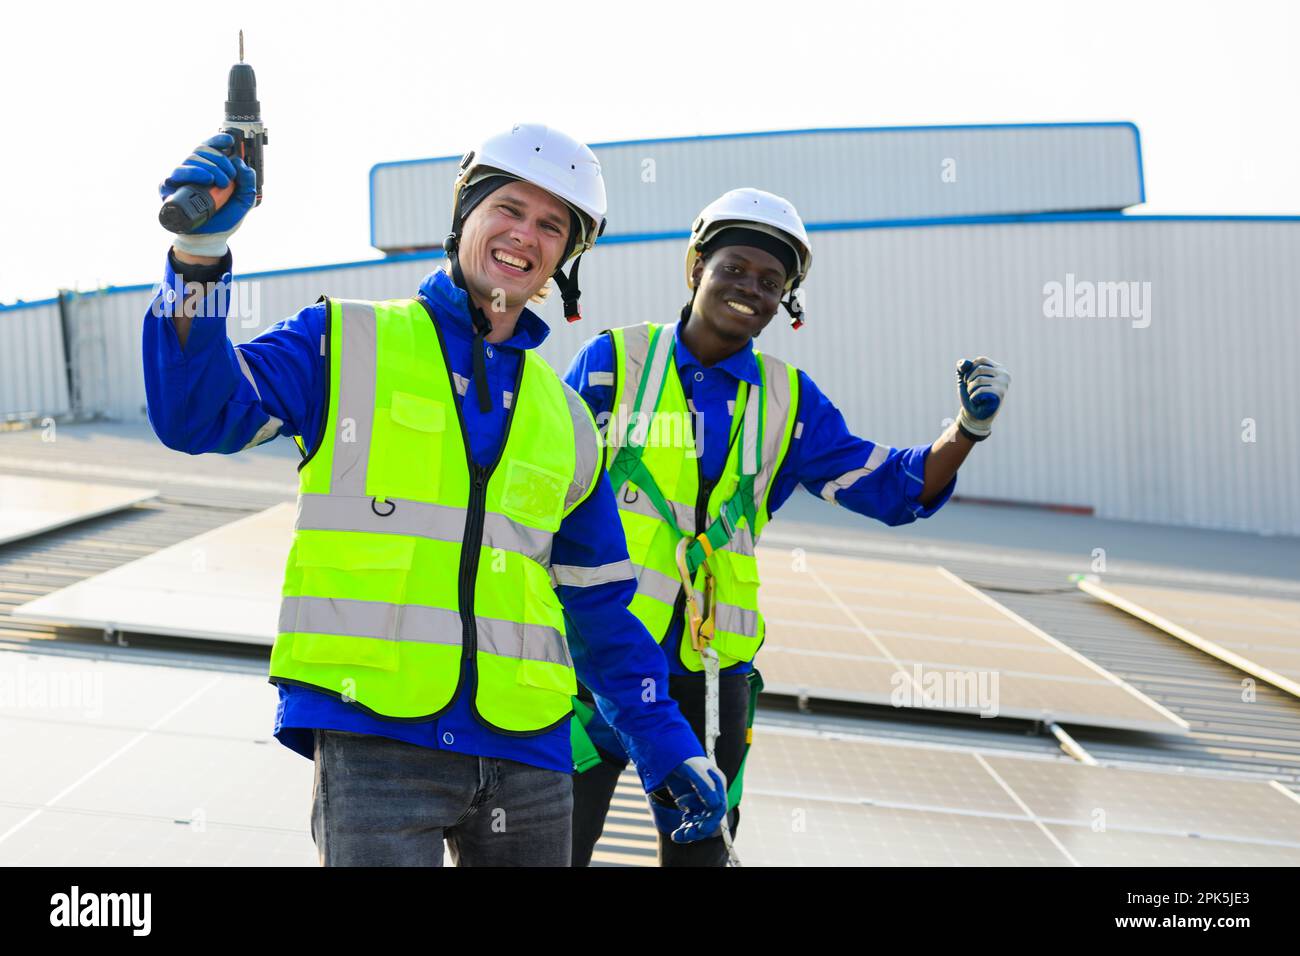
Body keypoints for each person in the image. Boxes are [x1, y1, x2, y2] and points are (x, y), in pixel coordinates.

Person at [144, 124, 727, 867]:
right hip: (376, 740)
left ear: (566, 259)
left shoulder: (570, 418)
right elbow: (197, 413)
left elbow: (600, 608)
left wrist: (666, 742)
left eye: (553, 226)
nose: (526, 236)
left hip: (533, 753)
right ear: (465, 214)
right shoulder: (344, 341)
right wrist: (198, 260)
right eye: (510, 209)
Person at [564, 187, 1012, 866]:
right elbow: (537, 486)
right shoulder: (614, 363)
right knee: (549, 845)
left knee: (702, 859)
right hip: (592, 661)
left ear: (786, 301)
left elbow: (891, 487)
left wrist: (967, 431)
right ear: (696, 270)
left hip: (709, 677)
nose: (752, 289)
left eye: (772, 282)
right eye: (735, 269)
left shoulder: (790, 401)